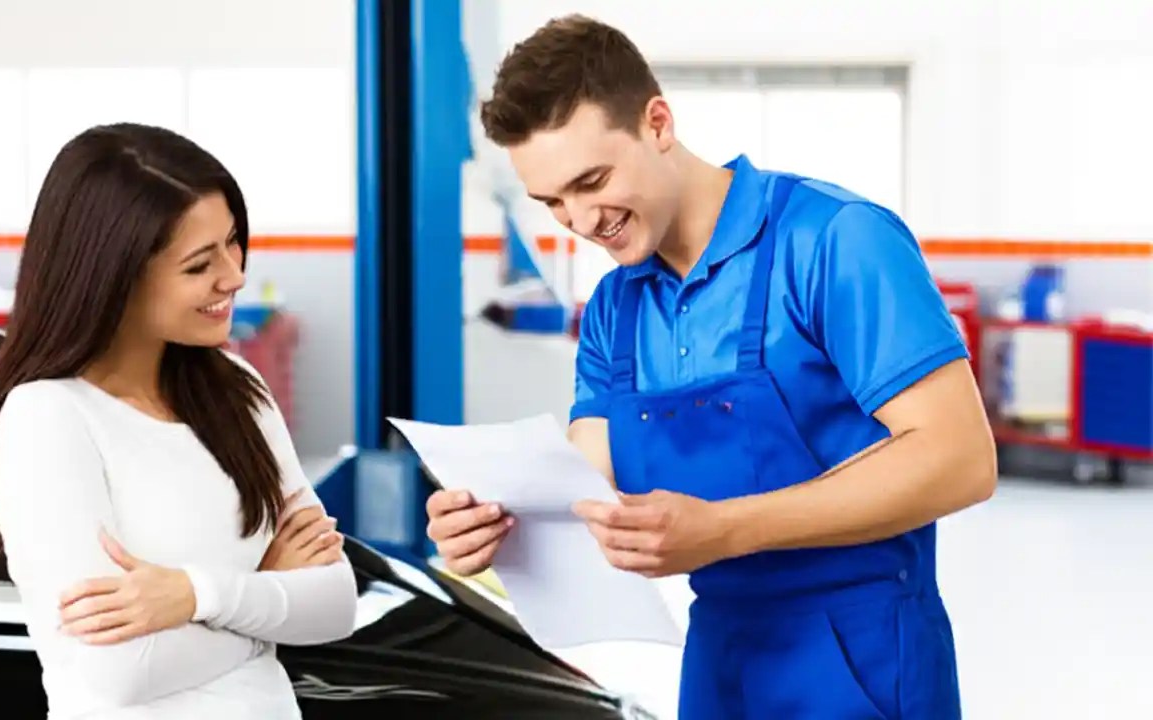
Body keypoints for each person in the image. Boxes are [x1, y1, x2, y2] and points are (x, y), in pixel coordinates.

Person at [425, 15, 996, 720]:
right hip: (720, 661)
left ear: (658, 123)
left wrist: (726, 529)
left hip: (865, 659)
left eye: (592, 181)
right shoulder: (614, 309)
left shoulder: (834, 240)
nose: (580, 220)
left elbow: (960, 459)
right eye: (552, 202)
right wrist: (491, 527)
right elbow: (583, 487)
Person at [0, 123, 359, 719]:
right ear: (115, 276)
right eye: (199, 264)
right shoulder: (48, 417)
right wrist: (266, 603)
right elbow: (118, 672)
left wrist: (194, 596)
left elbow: (335, 604)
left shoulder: (237, 390)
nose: (234, 276)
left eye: (233, 242)